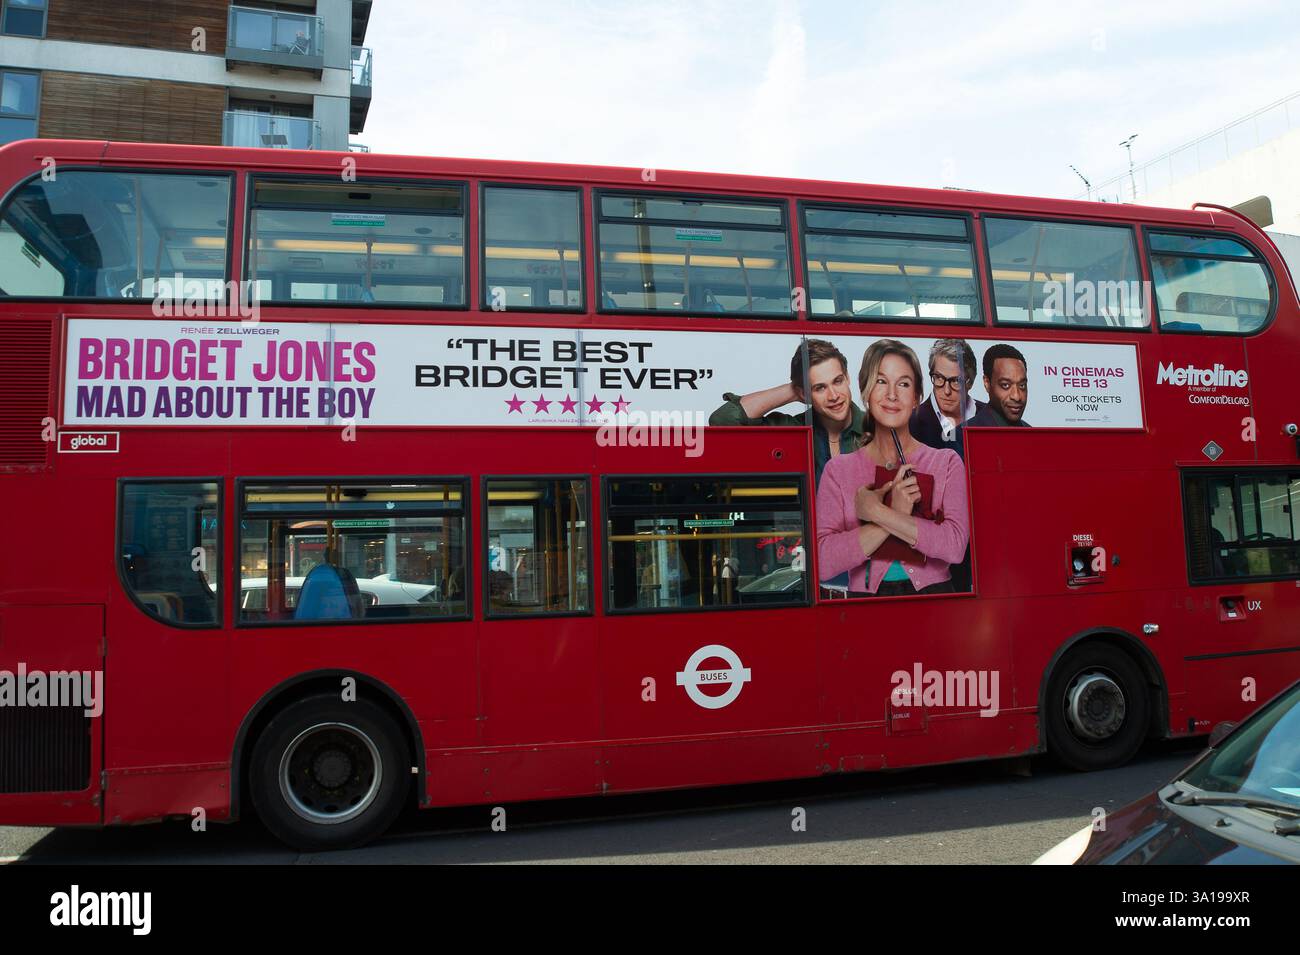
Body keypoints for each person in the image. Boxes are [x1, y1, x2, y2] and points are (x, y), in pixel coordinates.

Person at [816, 339, 970, 596]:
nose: (891, 395)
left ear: (917, 398)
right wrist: (896, 512)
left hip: (935, 599)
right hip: (864, 605)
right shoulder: (837, 471)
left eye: (904, 384)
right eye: (881, 381)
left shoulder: (946, 462)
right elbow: (823, 561)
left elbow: (954, 547)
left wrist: (878, 512)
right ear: (865, 390)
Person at [709, 338, 865, 485]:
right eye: (820, 388)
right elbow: (722, 420)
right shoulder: (795, 431)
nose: (834, 396)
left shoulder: (877, 428)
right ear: (804, 393)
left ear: (848, 378)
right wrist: (794, 390)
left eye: (838, 381)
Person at [910, 338, 987, 456]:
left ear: (970, 382)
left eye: (956, 381)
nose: (946, 391)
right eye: (939, 378)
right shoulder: (910, 423)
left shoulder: (990, 417)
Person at [968, 343, 1031, 427]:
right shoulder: (962, 435)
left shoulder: (1034, 435)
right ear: (987, 383)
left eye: (1022, 386)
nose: (1016, 396)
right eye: (1005, 385)